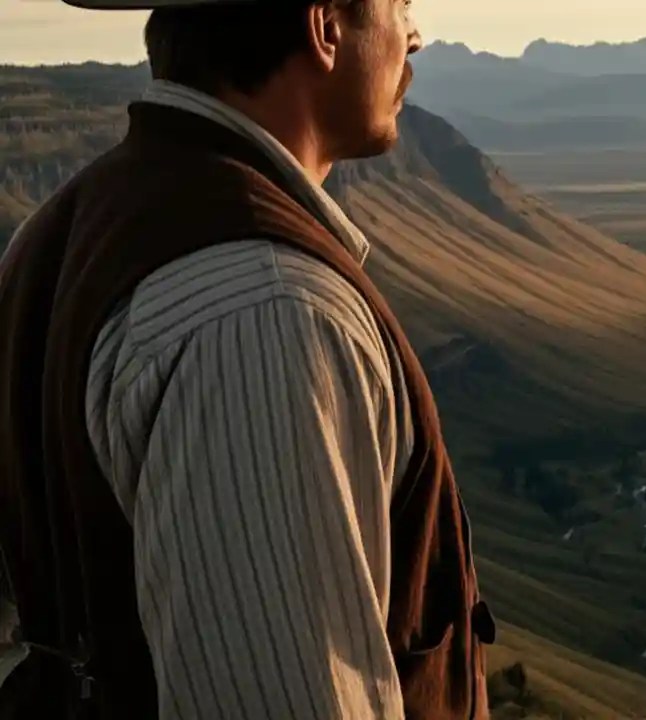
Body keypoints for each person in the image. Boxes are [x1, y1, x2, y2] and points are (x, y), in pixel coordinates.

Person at [0, 1, 493, 718]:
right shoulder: (265, 308)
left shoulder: (67, 230)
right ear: (325, 27)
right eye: (400, 5)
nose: (415, 35)